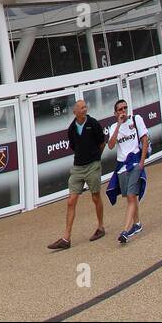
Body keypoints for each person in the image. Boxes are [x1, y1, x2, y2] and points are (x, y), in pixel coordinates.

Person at [48, 99, 108, 249]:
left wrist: (95, 159)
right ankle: (66, 239)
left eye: (85, 107)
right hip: (78, 168)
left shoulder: (93, 124)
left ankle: (100, 227)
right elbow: (74, 146)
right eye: (81, 108)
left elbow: (102, 143)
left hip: (93, 165)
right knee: (71, 200)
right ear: (75, 112)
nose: (84, 110)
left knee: (95, 196)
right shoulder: (71, 129)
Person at [106, 99, 148, 243]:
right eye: (120, 109)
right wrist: (118, 124)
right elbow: (111, 145)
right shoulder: (113, 127)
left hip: (135, 162)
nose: (123, 111)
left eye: (125, 108)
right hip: (122, 166)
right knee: (130, 197)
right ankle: (137, 224)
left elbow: (144, 139)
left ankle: (125, 231)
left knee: (131, 196)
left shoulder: (136, 119)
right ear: (115, 113)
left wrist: (141, 162)